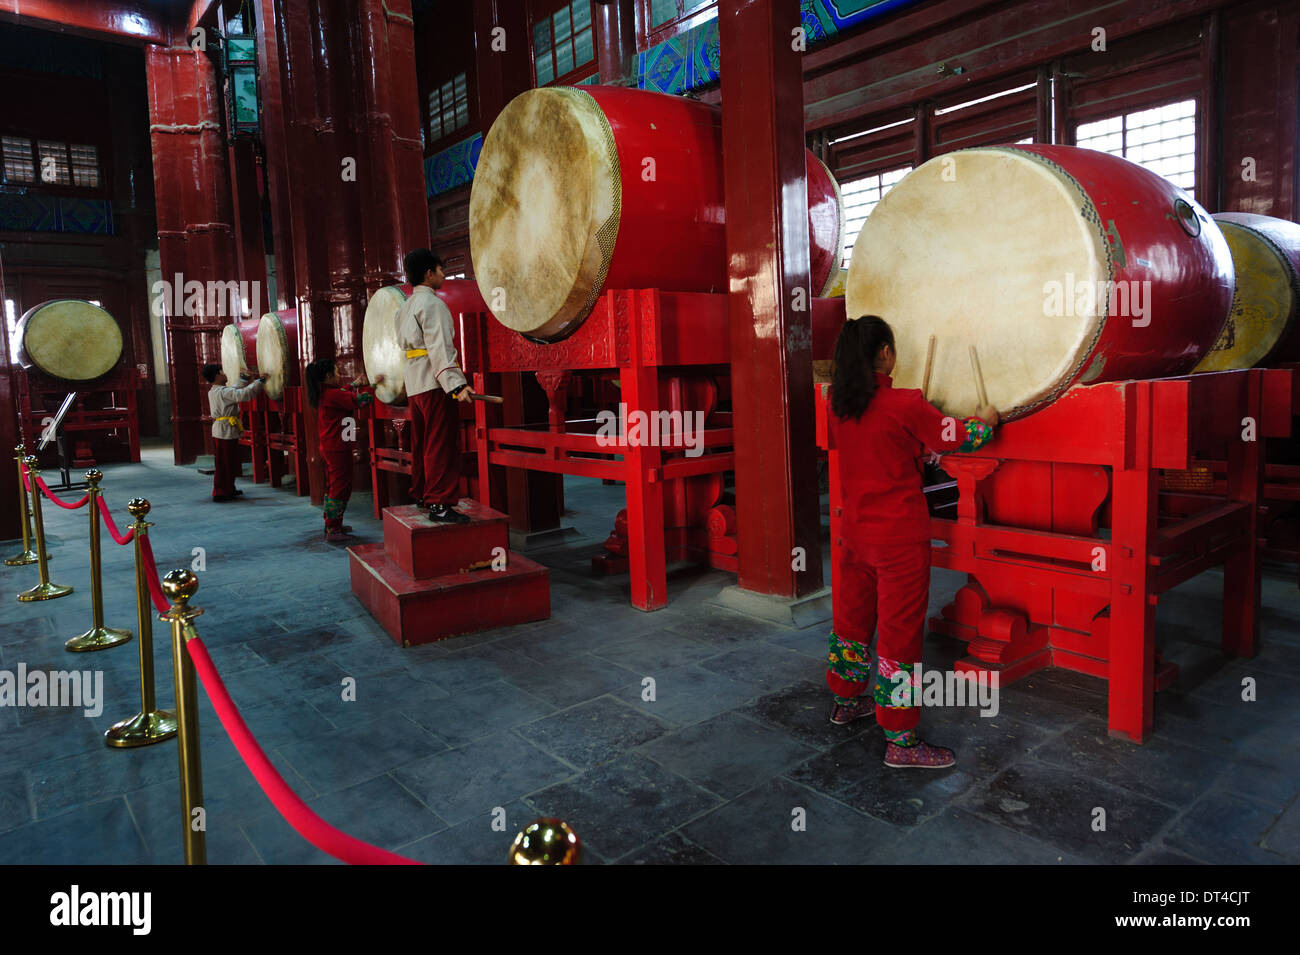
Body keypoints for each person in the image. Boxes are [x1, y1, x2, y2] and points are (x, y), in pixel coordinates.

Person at [825, 316, 999, 769]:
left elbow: (877, 447)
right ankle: (900, 740)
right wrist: (985, 423)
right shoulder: (905, 403)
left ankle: (846, 700)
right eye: (893, 349)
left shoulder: (837, 405)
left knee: (852, 619)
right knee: (899, 635)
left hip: (856, 534)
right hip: (899, 539)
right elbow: (960, 437)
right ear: (885, 353)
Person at [396, 248, 475, 524]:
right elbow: (440, 348)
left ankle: (421, 493)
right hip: (434, 383)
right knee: (440, 445)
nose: (444, 275)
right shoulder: (433, 305)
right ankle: (440, 504)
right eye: (441, 270)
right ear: (429, 273)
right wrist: (456, 385)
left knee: (422, 443)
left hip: (415, 385)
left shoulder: (405, 307)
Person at [305, 359, 383, 542]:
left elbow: (343, 392)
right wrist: (375, 385)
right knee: (340, 487)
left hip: (333, 446)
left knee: (333, 486)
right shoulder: (332, 395)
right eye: (336, 373)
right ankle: (333, 528)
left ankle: (333, 523)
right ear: (327, 377)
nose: (340, 376)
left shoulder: (327, 392)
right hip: (337, 448)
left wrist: (355, 384)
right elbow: (361, 401)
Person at [203, 364, 266, 502]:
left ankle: (228, 488)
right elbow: (243, 394)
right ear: (216, 376)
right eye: (222, 372)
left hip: (225, 430)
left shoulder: (218, 390)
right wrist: (260, 381)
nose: (225, 374)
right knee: (224, 463)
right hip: (224, 431)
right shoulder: (221, 392)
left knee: (228, 462)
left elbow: (233, 390)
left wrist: (243, 378)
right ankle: (219, 491)